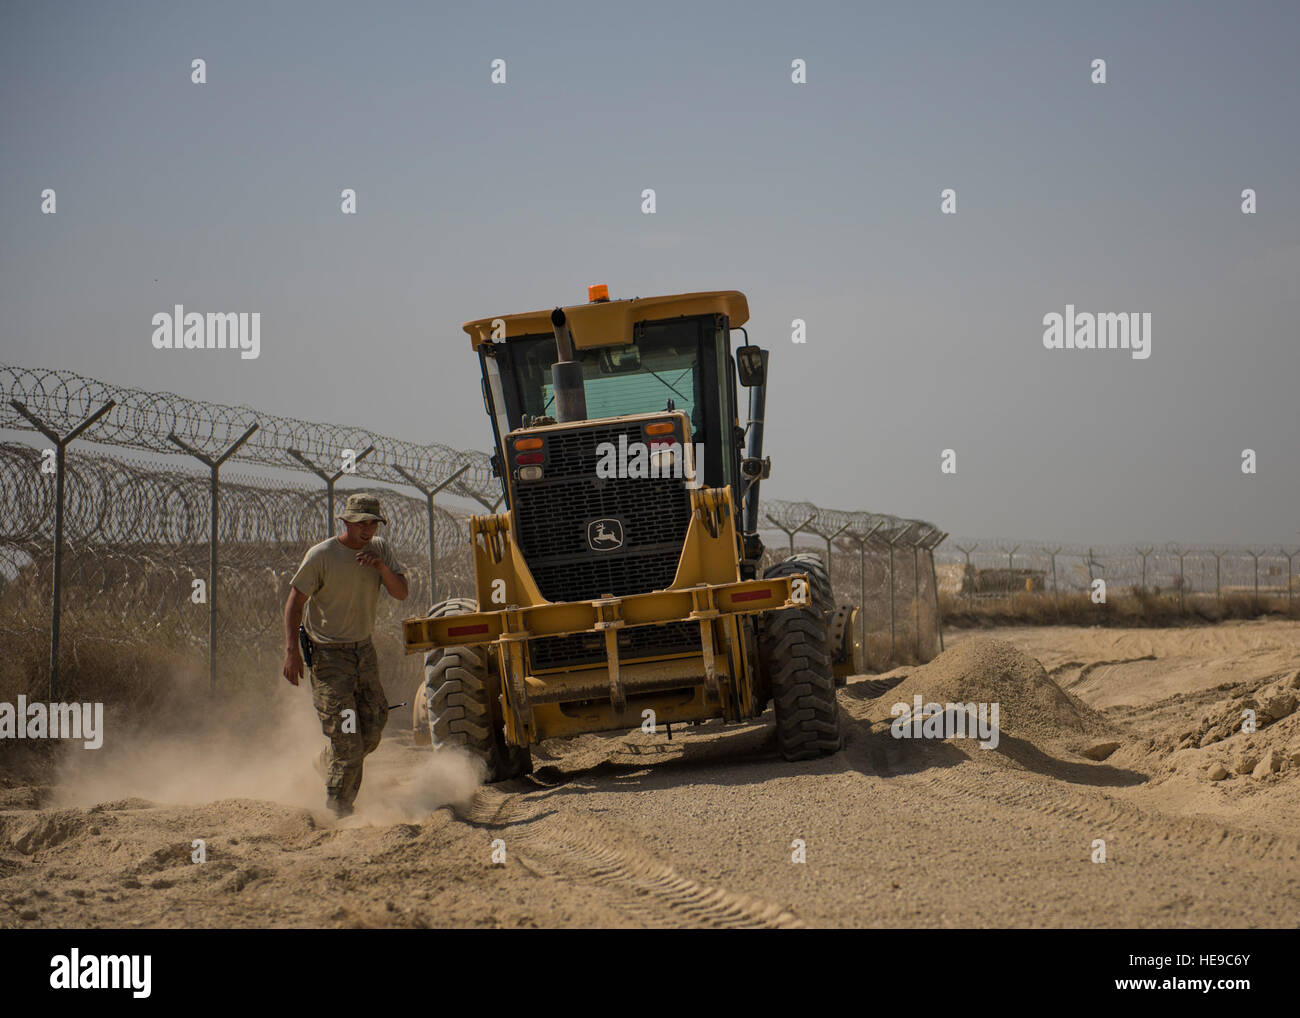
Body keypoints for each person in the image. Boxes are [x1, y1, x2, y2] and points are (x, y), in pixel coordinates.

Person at [282, 492, 409, 817]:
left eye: (372, 523)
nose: (367, 529)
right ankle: (338, 809)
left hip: (362, 651)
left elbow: (401, 592)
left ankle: (328, 763)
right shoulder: (323, 555)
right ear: (346, 522)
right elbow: (296, 601)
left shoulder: (378, 550)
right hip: (328, 655)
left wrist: (379, 566)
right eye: (360, 522)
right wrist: (291, 652)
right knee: (349, 739)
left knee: (374, 724)